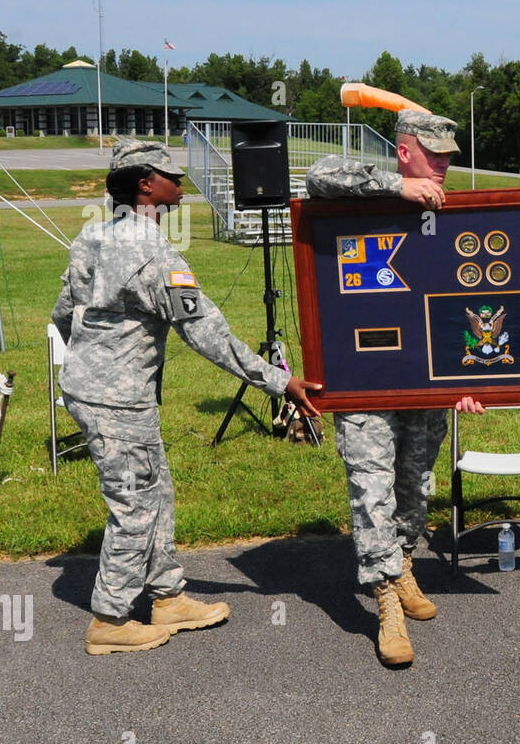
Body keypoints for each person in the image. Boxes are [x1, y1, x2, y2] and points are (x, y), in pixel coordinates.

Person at [53, 139, 322, 655]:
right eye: (171, 176)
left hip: (99, 389)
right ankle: (110, 618)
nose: (181, 184)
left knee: (157, 490)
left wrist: (93, 361)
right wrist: (278, 379)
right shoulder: (153, 251)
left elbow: (66, 310)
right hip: (117, 399)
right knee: (134, 502)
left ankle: (168, 594)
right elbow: (205, 332)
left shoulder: (92, 236)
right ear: (146, 184)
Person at [306, 111, 483, 669]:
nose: (445, 165)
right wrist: (397, 188)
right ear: (405, 152)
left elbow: (457, 303)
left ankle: (404, 563)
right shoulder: (366, 190)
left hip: (425, 382)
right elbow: (317, 174)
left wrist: (473, 379)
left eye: (450, 156)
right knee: (371, 487)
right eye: (435, 156)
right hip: (363, 383)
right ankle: (386, 601)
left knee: (416, 483)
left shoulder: (449, 211)